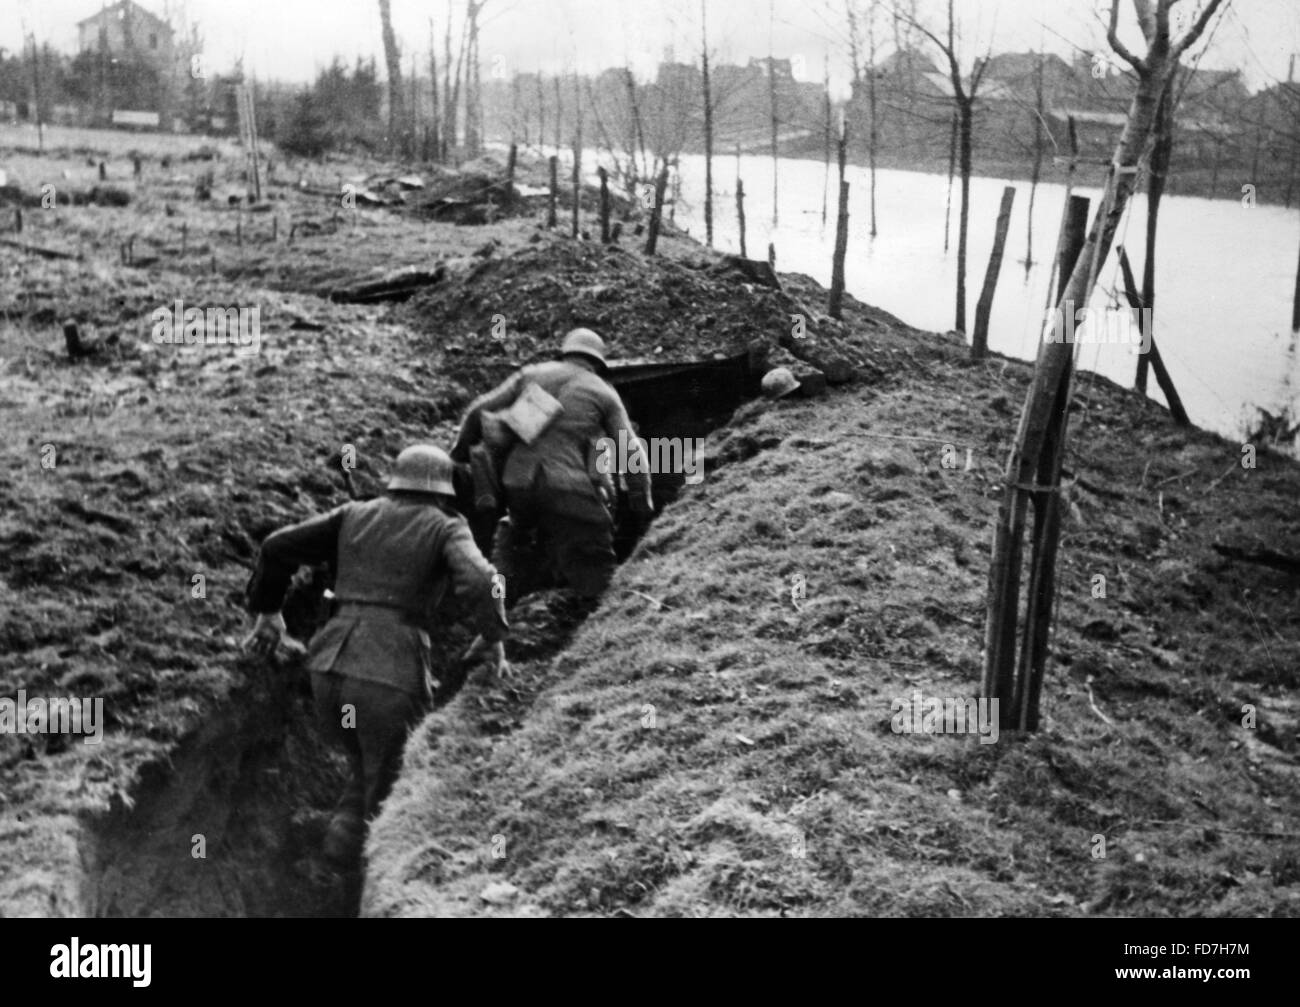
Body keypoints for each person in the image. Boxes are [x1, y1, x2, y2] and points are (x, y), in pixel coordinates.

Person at [242, 444, 508, 865]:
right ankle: (352, 869)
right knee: (389, 776)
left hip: (329, 671)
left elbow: (276, 546)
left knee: (367, 760)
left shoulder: (354, 514)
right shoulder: (446, 526)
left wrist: (269, 613)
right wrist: (493, 636)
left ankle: (341, 843)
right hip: (389, 673)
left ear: (395, 481)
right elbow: (482, 581)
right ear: (443, 492)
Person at [452, 328, 654, 603]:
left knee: (516, 536)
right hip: (570, 489)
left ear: (564, 352)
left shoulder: (531, 374)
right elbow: (632, 452)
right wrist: (642, 505)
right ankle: (594, 616)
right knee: (594, 564)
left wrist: (459, 453)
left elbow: (478, 411)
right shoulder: (603, 392)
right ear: (598, 363)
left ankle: (499, 603)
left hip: (518, 485)